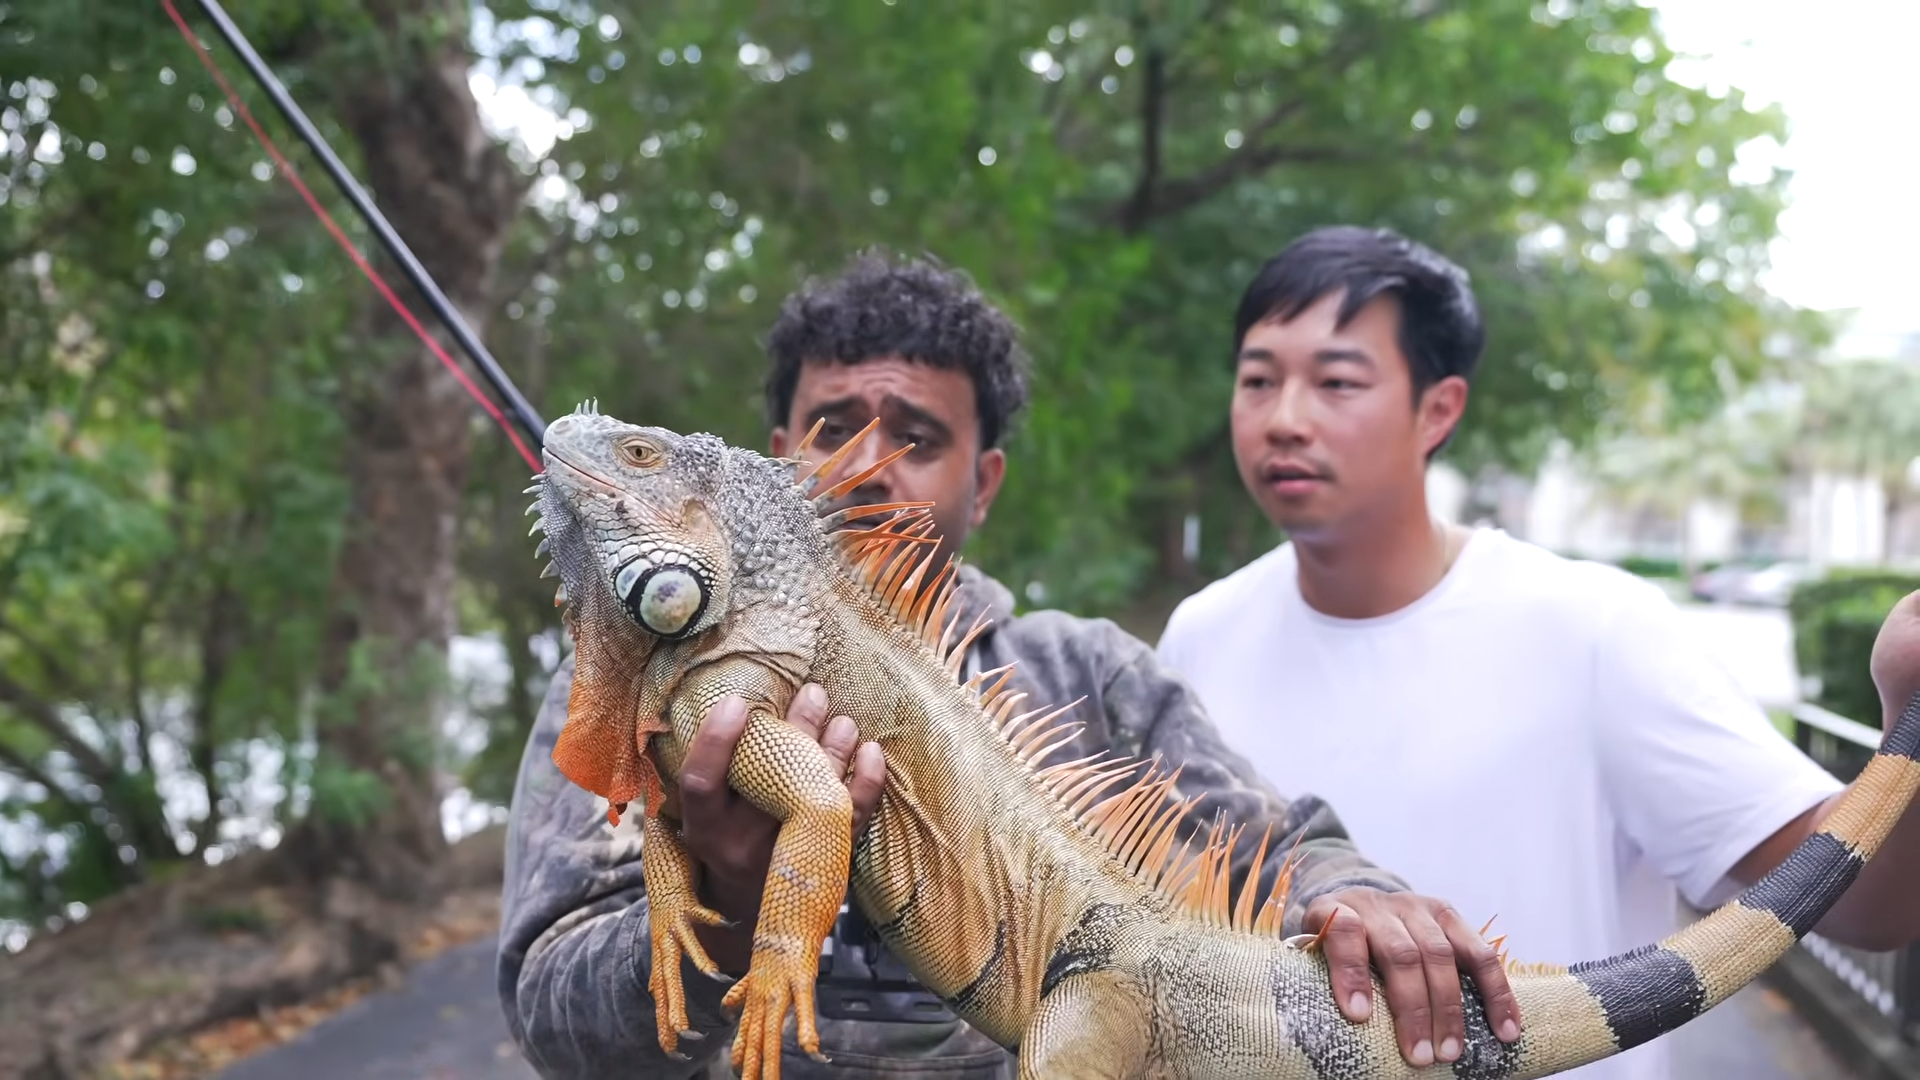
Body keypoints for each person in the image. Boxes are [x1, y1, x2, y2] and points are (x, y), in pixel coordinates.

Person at [496, 249, 1526, 1079]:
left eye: (918, 435)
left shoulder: (1084, 678)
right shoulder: (646, 689)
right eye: (832, 427)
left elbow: (1287, 847)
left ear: (983, 482)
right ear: (767, 459)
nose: (869, 467)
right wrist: (728, 887)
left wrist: (1364, 904)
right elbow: (555, 1022)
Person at [1155, 225, 1920, 1080]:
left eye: (1337, 382)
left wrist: (1906, 715)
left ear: (1438, 409)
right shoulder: (1200, 634)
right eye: (1259, 380)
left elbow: (1870, 905)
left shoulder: (1594, 629)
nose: (1285, 418)